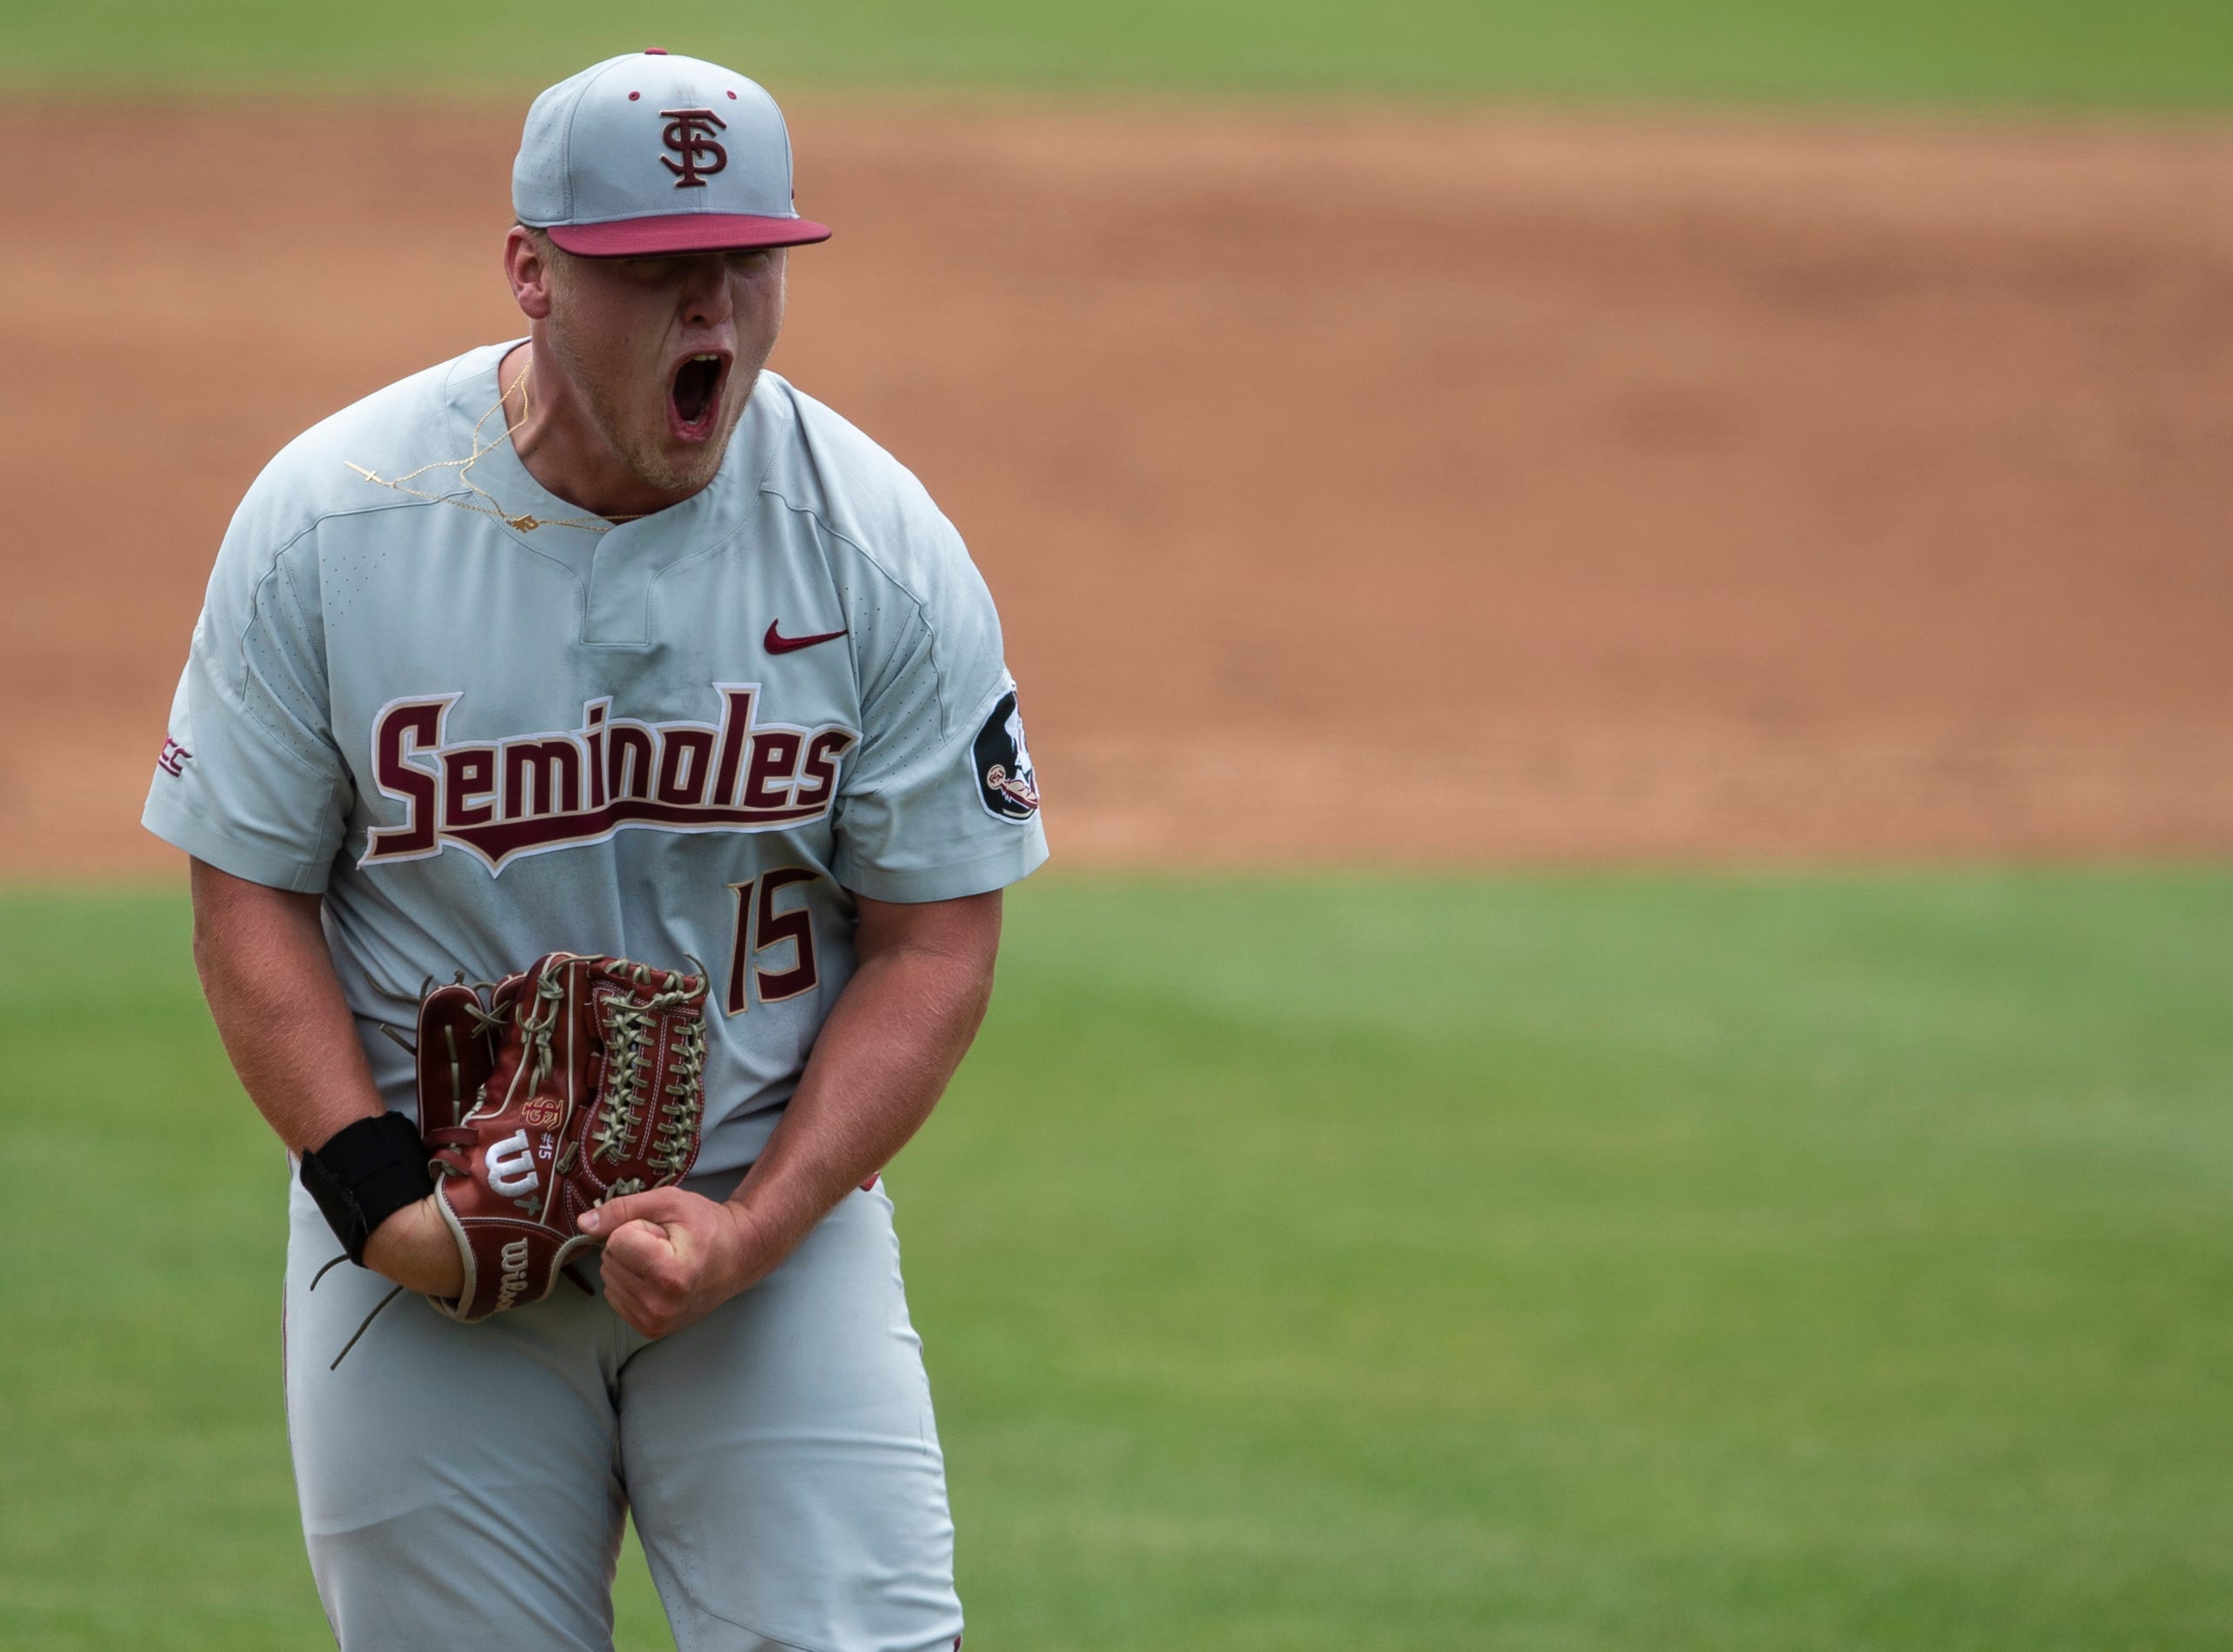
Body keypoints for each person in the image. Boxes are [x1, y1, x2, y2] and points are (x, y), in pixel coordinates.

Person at [143, 49, 1043, 1651]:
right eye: (651, 268)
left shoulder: (878, 547)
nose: (711, 308)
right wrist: (380, 1205)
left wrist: (758, 1229)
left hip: (767, 1230)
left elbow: (937, 939)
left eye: (745, 261)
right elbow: (248, 892)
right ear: (532, 272)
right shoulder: (334, 522)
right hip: (426, 1251)